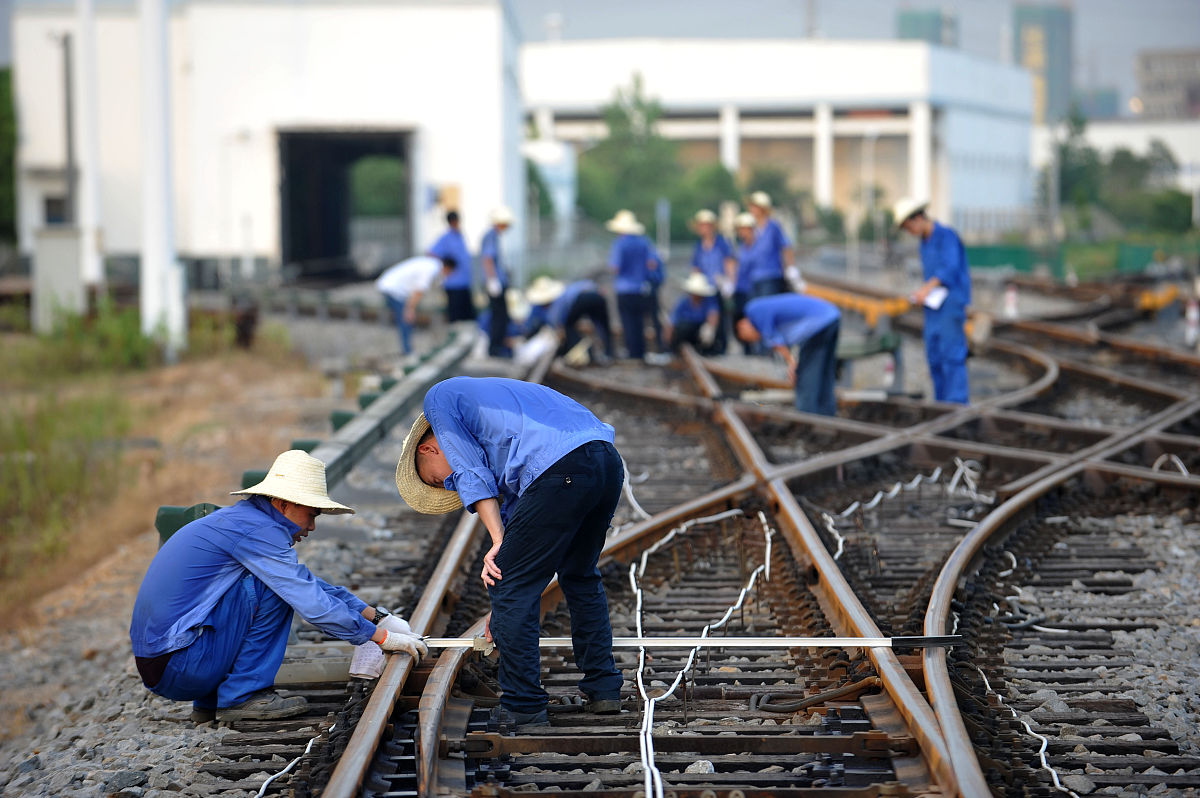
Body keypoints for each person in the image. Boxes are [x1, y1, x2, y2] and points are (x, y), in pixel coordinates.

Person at [130, 451, 427, 723]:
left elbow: (308, 583)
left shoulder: (246, 521)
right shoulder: (260, 530)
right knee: (276, 591)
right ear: (283, 504)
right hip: (180, 665)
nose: (311, 527)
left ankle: (211, 703)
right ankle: (243, 697)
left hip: (168, 661)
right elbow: (310, 602)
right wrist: (379, 637)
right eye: (311, 514)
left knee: (278, 585)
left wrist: (375, 616)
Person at [394, 377, 625, 727]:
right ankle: (604, 689)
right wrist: (503, 611)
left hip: (560, 470)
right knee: (580, 575)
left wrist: (500, 549)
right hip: (605, 462)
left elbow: (471, 474)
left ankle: (524, 705)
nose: (449, 484)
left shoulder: (438, 400)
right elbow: (520, 510)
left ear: (428, 450)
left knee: (511, 583)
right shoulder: (499, 418)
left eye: (438, 480)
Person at [893, 197, 971, 404]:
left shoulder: (947, 236)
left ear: (918, 218)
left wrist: (926, 289)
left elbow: (950, 268)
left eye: (909, 227)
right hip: (934, 307)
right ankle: (942, 404)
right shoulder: (924, 243)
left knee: (951, 355)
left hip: (951, 302)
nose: (909, 232)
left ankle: (957, 404)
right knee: (935, 356)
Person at [736, 294, 841, 416]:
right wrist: (793, 362)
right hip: (831, 316)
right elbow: (789, 344)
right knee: (824, 373)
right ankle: (827, 414)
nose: (754, 340)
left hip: (818, 323)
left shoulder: (752, 310)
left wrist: (793, 364)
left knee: (806, 376)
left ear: (741, 325)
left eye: (747, 338)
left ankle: (806, 418)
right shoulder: (768, 315)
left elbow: (775, 341)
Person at [606, 209, 663, 360]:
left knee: (628, 323)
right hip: (641, 289)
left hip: (625, 289)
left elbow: (615, 267)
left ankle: (633, 355)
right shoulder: (644, 242)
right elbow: (652, 264)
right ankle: (642, 353)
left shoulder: (620, 244)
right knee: (640, 323)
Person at [375, 255, 456, 356]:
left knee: (406, 317)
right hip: (393, 288)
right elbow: (419, 290)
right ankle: (407, 351)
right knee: (406, 318)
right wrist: (410, 309)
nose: (449, 275)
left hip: (392, 286)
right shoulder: (430, 269)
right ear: (448, 268)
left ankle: (407, 349)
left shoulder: (432, 265)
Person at [524, 276, 615, 362]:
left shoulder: (556, 302)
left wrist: (559, 329)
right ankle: (609, 353)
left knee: (569, 328)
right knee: (603, 326)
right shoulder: (567, 290)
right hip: (598, 296)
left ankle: (579, 353)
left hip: (581, 300)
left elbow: (556, 321)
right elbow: (589, 284)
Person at [689, 209, 735, 354]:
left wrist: (730, 281)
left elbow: (729, 262)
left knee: (720, 316)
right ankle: (708, 345)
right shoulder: (699, 246)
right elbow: (696, 266)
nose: (704, 228)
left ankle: (722, 346)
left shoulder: (721, 243)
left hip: (719, 285)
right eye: (702, 225)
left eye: (707, 225)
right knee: (705, 315)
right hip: (704, 287)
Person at [746, 191, 803, 298]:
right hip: (755, 277)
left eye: (754, 207)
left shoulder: (773, 227)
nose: (751, 210)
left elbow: (786, 246)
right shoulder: (753, 228)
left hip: (770, 275)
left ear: (762, 209)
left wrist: (791, 268)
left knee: (766, 306)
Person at [428, 210, 476, 323]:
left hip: (465, 281)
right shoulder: (446, 238)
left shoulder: (460, 236)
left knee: (468, 315)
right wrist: (446, 266)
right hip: (453, 283)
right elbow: (432, 253)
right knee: (456, 315)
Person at [480, 206, 514, 358]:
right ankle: (494, 348)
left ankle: (498, 346)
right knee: (498, 317)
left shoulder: (494, 236)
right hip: (496, 284)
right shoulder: (491, 236)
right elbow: (487, 259)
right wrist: (492, 280)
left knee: (501, 316)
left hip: (499, 282)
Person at [668, 271, 722, 355]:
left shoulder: (708, 301)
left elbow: (713, 314)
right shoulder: (683, 302)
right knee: (683, 328)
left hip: (700, 332)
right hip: (685, 334)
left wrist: (709, 328)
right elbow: (672, 321)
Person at [731, 212, 759, 355]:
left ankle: (757, 350)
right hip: (741, 289)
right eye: (741, 229)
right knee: (740, 319)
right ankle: (747, 350)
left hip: (753, 290)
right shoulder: (741, 248)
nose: (743, 232)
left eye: (745, 229)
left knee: (753, 320)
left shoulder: (758, 247)